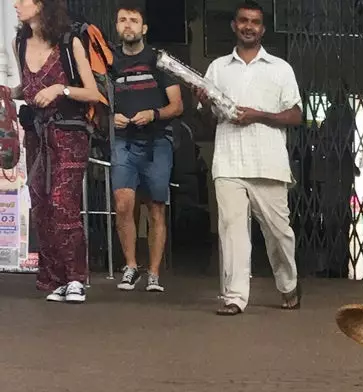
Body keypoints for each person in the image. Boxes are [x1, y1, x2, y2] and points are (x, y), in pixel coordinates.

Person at [198, 1, 302, 316]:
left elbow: (296, 115)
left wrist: (258, 115)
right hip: (228, 162)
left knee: (279, 234)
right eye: (243, 20)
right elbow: (205, 122)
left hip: (268, 164)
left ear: (263, 29)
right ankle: (235, 297)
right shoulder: (217, 68)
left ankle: (288, 285)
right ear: (234, 25)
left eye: (254, 22)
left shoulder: (280, 68)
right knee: (232, 231)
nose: (248, 26)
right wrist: (201, 103)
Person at [10, 0, 104, 303]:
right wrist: (7, 92)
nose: (15, 4)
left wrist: (60, 89)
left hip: (69, 131)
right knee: (40, 204)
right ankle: (56, 278)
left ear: (41, 5)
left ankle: (76, 277)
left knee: (64, 203)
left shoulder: (69, 41)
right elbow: (26, 88)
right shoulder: (20, 41)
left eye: (23, 0)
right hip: (37, 133)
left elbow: (93, 92)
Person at [109, 5, 183, 294]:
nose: (128, 25)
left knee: (155, 209)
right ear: (117, 26)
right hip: (121, 140)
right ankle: (130, 266)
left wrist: (154, 114)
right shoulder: (108, 62)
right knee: (123, 205)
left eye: (134, 20)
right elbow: (98, 99)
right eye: (123, 20)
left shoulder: (159, 61)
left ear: (144, 29)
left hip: (157, 142)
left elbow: (177, 106)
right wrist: (109, 114)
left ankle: (153, 273)